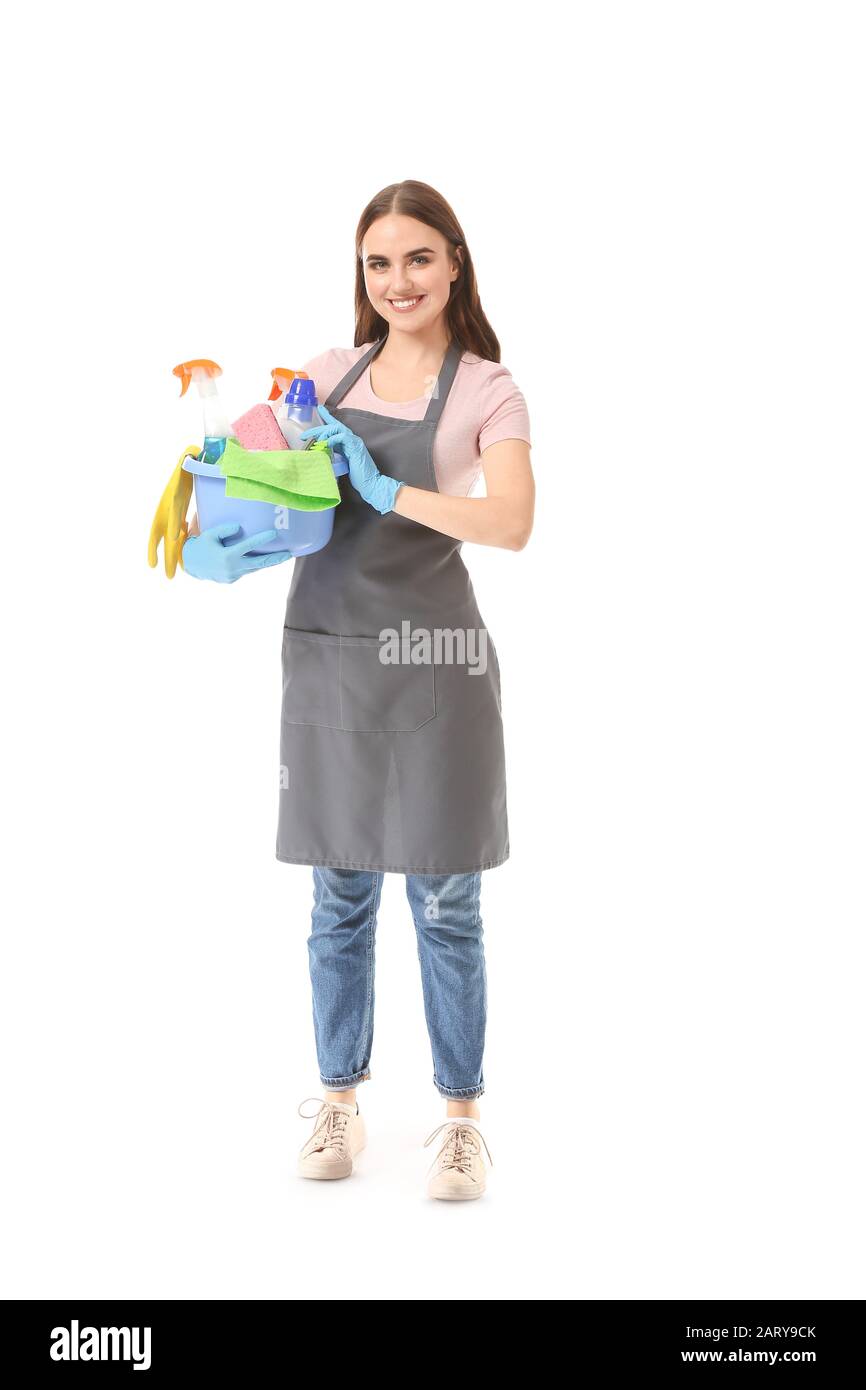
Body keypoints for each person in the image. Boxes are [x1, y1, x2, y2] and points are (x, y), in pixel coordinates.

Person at [185, 180, 534, 1200]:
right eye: (377, 263)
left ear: (454, 263)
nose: (397, 281)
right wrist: (220, 492)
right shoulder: (325, 376)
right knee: (337, 894)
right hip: (329, 656)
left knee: (444, 897)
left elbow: (510, 522)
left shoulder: (487, 390)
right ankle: (338, 1105)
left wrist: (389, 492)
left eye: (417, 258)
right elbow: (271, 512)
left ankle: (460, 1120)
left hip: (435, 667)